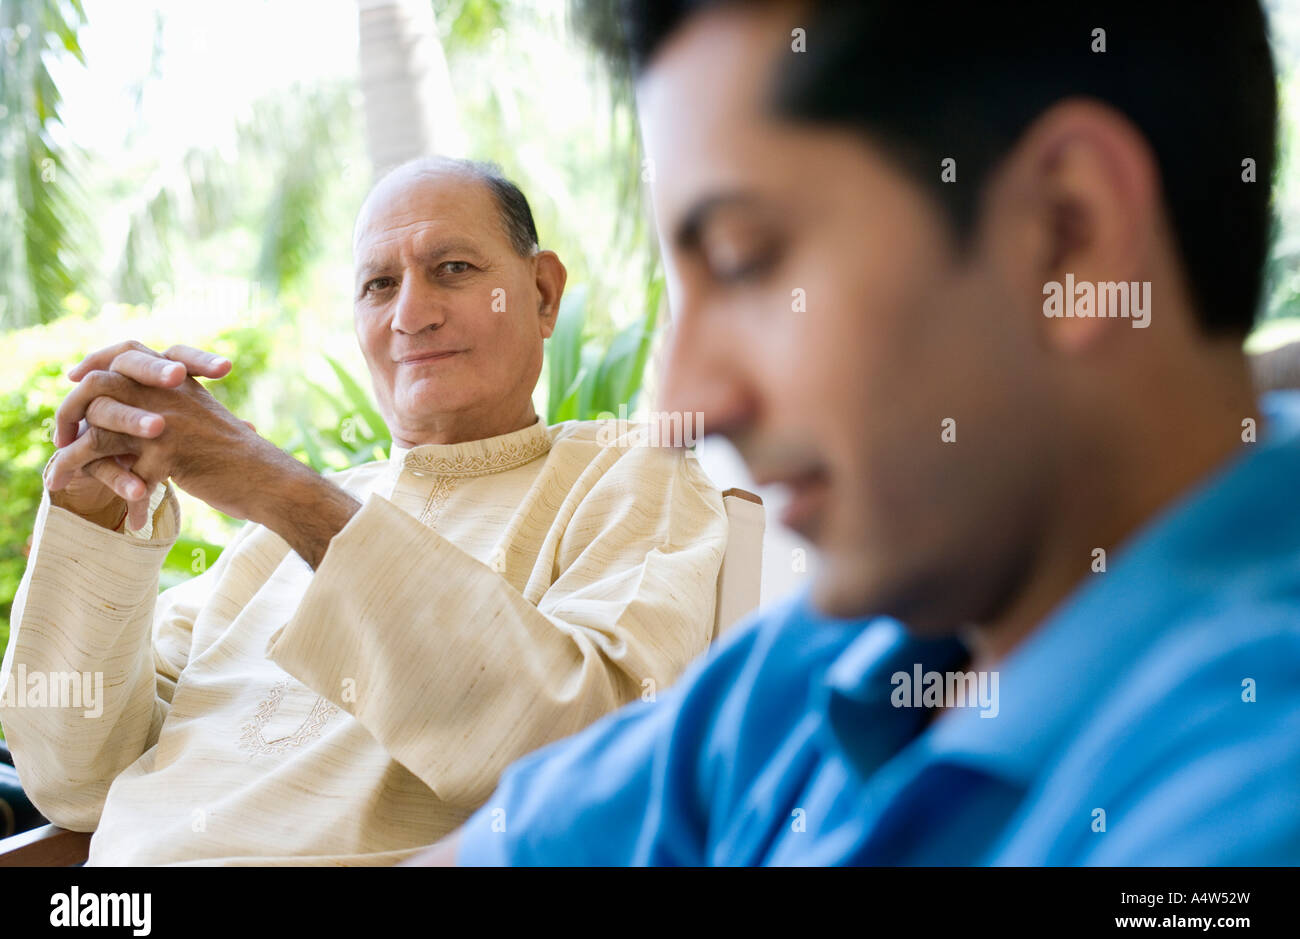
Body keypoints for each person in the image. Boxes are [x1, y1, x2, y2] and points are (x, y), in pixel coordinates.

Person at [408, 0, 1300, 865]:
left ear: (1071, 236)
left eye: (745, 263)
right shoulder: (836, 656)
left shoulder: (1248, 793)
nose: (682, 403)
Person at [0, 157, 728, 864]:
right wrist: (92, 522)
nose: (412, 315)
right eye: (380, 285)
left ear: (541, 293)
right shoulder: (268, 543)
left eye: (453, 269)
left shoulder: (627, 472)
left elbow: (593, 758)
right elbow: (75, 784)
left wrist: (278, 490)